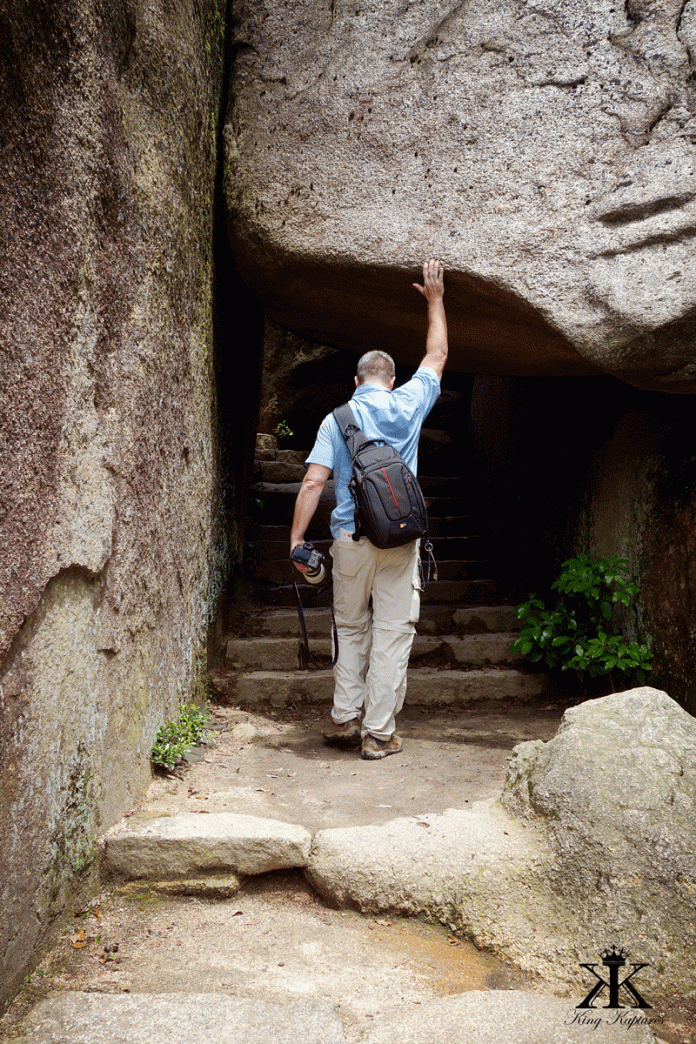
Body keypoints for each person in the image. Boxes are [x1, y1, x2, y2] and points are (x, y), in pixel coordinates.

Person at [289, 259, 448, 760]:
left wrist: (296, 541)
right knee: (392, 633)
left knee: (351, 627)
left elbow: (315, 481)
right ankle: (378, 733)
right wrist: (435, 299)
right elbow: (438, 354)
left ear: (357, 380)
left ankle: (343, 720)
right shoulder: (411, 403)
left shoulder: (337, 418)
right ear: (392, 378)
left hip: (350, 540)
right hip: (400, 540)